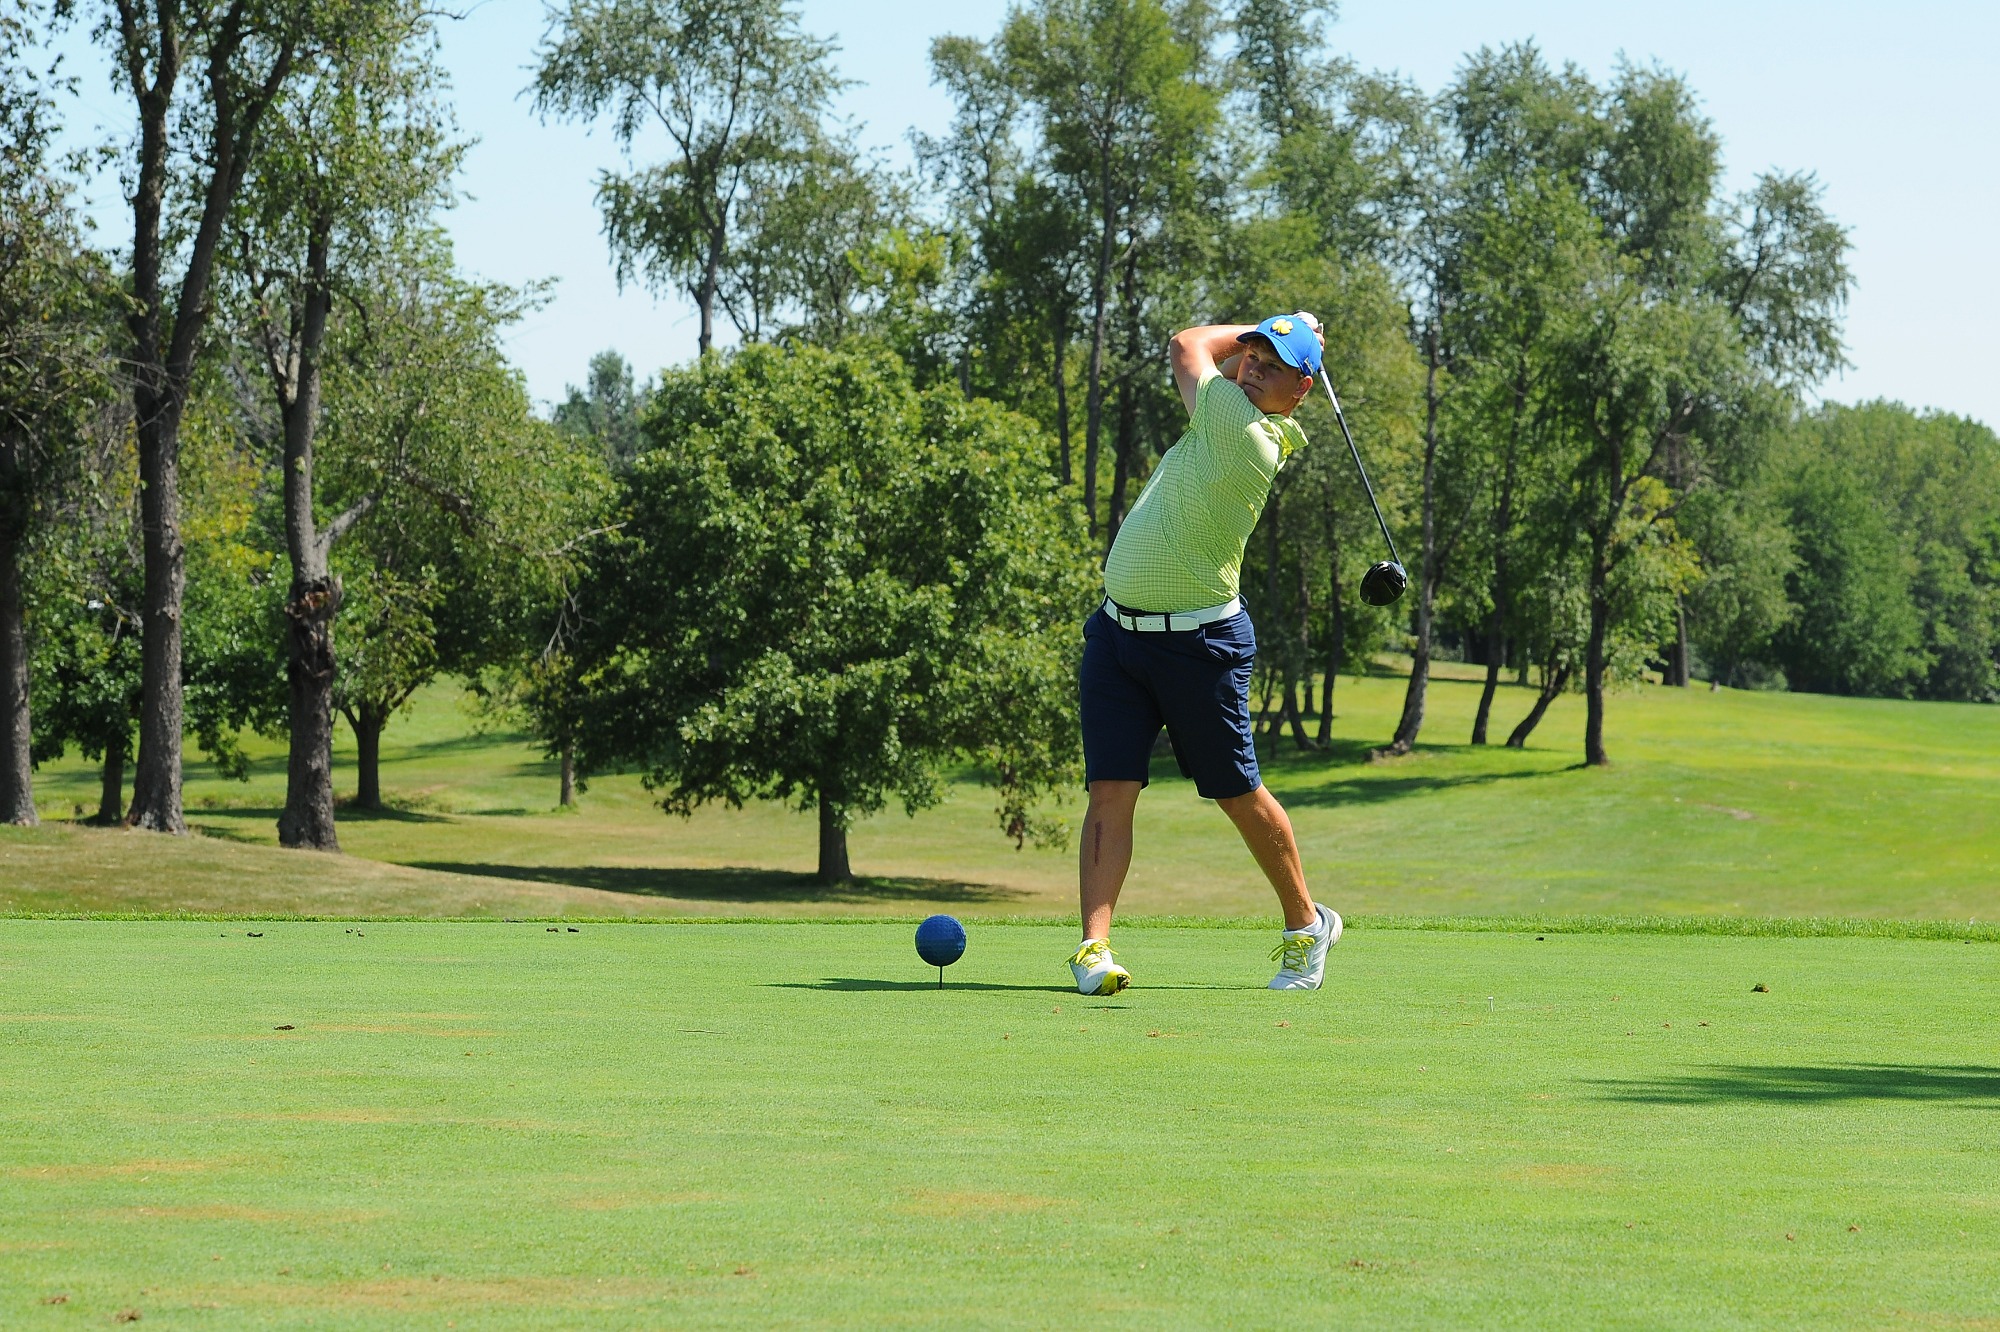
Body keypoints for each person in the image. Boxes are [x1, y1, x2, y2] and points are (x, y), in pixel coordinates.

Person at [1068, 313, 1341, 995]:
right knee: (1110, 790)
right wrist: (1276, 333)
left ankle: (1306, 924)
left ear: (1301, 391)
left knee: (1236, 792)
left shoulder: (1241, 429)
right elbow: (1209, 359)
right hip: (1117, 636)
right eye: (1250, 355)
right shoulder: (1228, 410)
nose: (1250, 367)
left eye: (1271, 365)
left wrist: (1255, 321)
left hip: (1199, 646)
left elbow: (1188, 343)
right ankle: (1093, 949)